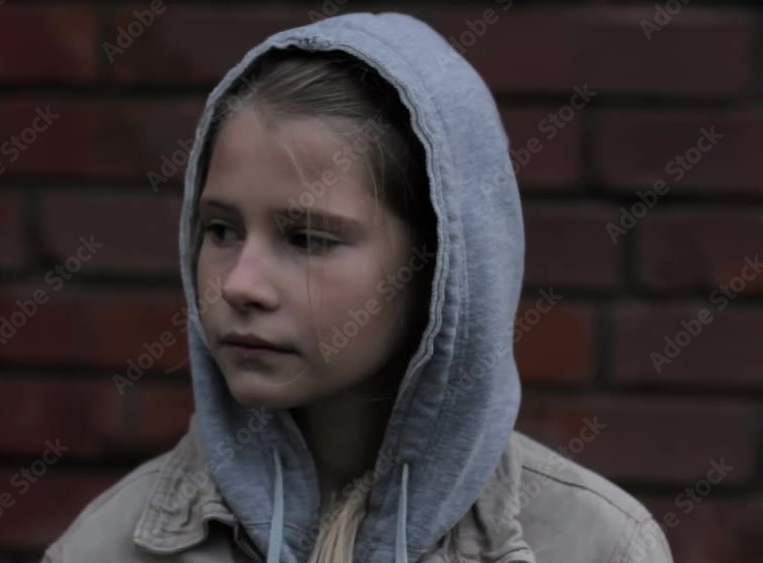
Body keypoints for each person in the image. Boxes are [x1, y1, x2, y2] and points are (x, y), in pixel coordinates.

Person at [41, 11, 673, 563]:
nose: (239, 284)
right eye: (221, 229)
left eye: (308, 239)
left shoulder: (596, 547)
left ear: (437, 265)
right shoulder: (107, 548)